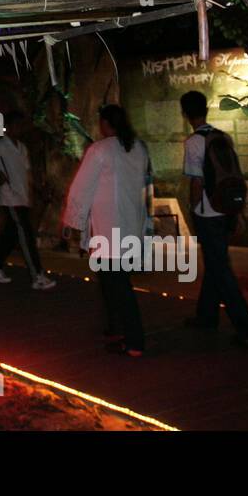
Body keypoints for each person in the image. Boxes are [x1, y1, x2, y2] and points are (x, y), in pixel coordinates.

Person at [63, 104, 150, 357]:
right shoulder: (138, 148)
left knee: (117, 284)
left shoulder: (100, 150)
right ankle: (117, 328)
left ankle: (134, 341)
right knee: (112, 282)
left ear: (105, 124)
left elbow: (82, 187)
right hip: (130, 225)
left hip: (108, 228)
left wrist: (71, 222)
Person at [181, 91, 248, 350]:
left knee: (221, 270)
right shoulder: (223, 137)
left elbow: (196, 181)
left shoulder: (194, 142)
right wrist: (237, 213)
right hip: (227, 209)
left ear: (185, 113)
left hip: (208, 212)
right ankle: (207, 316)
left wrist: (193, 209)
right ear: (205, 109)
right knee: (216, 263)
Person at [0, 111, 56, 290]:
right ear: (10, 126)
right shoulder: (1, 145)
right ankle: (37, 275)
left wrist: (37, 190)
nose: (20, 129)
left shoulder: (22, 147)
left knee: (10, 234)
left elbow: (27, 174)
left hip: (22, 197)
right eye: (17, 125)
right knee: (26, 235)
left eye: (22, 126)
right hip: (10, 196)